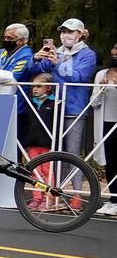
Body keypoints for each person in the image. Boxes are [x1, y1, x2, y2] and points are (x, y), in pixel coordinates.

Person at [28, 18, 97, 196]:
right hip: (54, 108)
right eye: (63, 31)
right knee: (55, 152)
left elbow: (79, 77)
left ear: (80, 34)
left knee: (73, 153)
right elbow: (35, 70)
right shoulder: (55, 52)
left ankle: (76, 195)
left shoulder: (87, 54)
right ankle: (55, 194)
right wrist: (36, 58)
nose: (65, 35)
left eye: (70, 31)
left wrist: (57, 63)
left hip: (75, 109)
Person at [20, 74, 59, 212]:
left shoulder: (54, 103)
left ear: (48, 88)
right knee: (35, 171)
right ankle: (37, 197)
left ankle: (49, 197)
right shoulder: (30, 103)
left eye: (38, 86)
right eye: (33, 87)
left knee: (47, 171)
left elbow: (57, 124)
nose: (35, 89)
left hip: (47, 143)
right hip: (33, 143)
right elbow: (26, 123)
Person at [91, 44, 117, 216]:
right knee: (111, 162)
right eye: (112, 53)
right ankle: (113, 199)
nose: (114, 56)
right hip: (107, 122)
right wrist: (101, 89)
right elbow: (94, 102)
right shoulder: (102, 74)